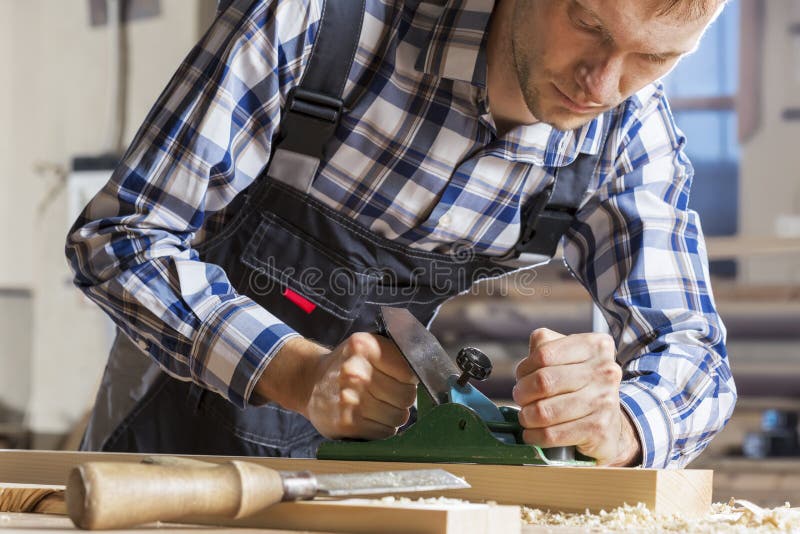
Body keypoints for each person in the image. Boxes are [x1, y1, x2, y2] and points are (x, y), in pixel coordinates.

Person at [66, 0, 736, 468]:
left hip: (366, 477)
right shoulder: (319, 18)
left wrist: (617, 425)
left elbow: (694, 350)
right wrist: (298, 372)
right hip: (167, 451)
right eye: (586, 21)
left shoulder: (628, 132)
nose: (602, 83)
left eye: (652, 57)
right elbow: (120, 237)